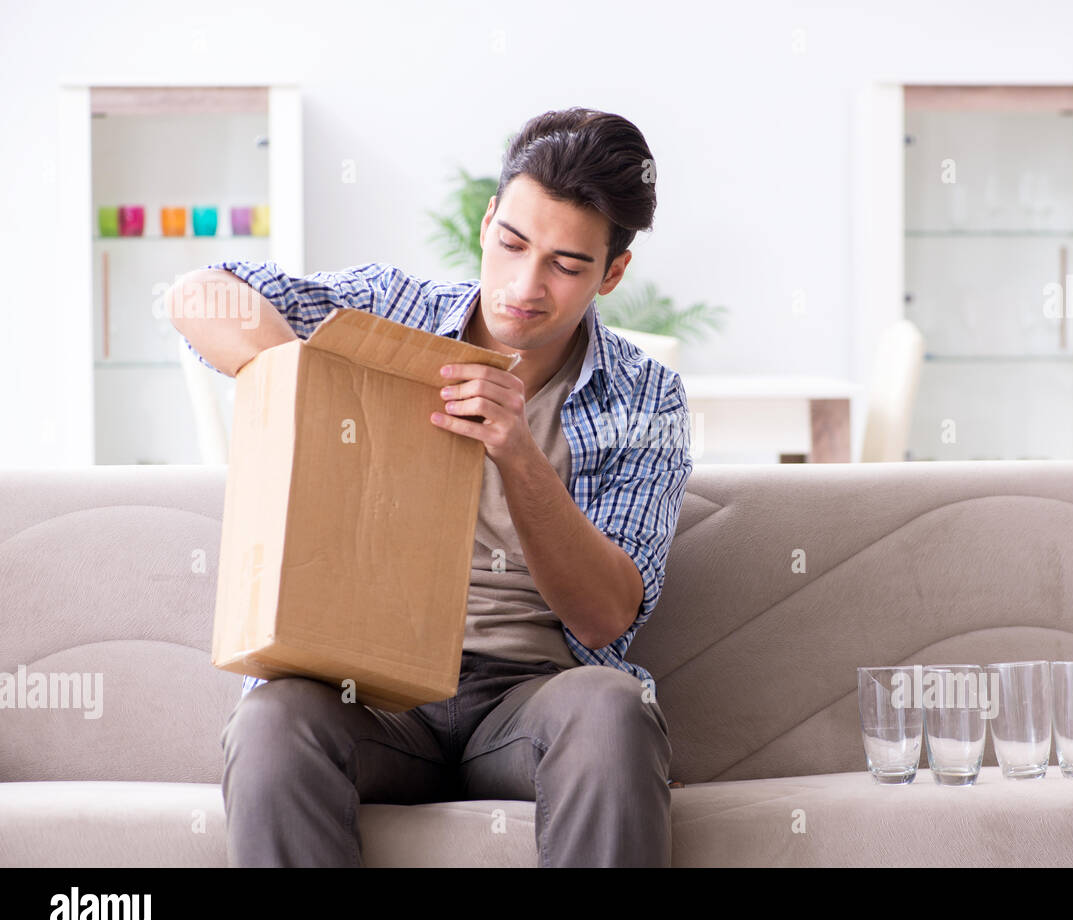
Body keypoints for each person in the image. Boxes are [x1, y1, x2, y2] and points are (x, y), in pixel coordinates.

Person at [169, 107, 692, 867]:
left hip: (529, 695)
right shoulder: (391, 310)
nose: (524, 284)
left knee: (615, 710)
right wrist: (308, 382)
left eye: (566, 265)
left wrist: (519, 456)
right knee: (272, 721)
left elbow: (608, 615)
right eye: (512, 243)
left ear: (612, 273)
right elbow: (199, 295)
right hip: (368, 687)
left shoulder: (646, 398)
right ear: (487, 223)